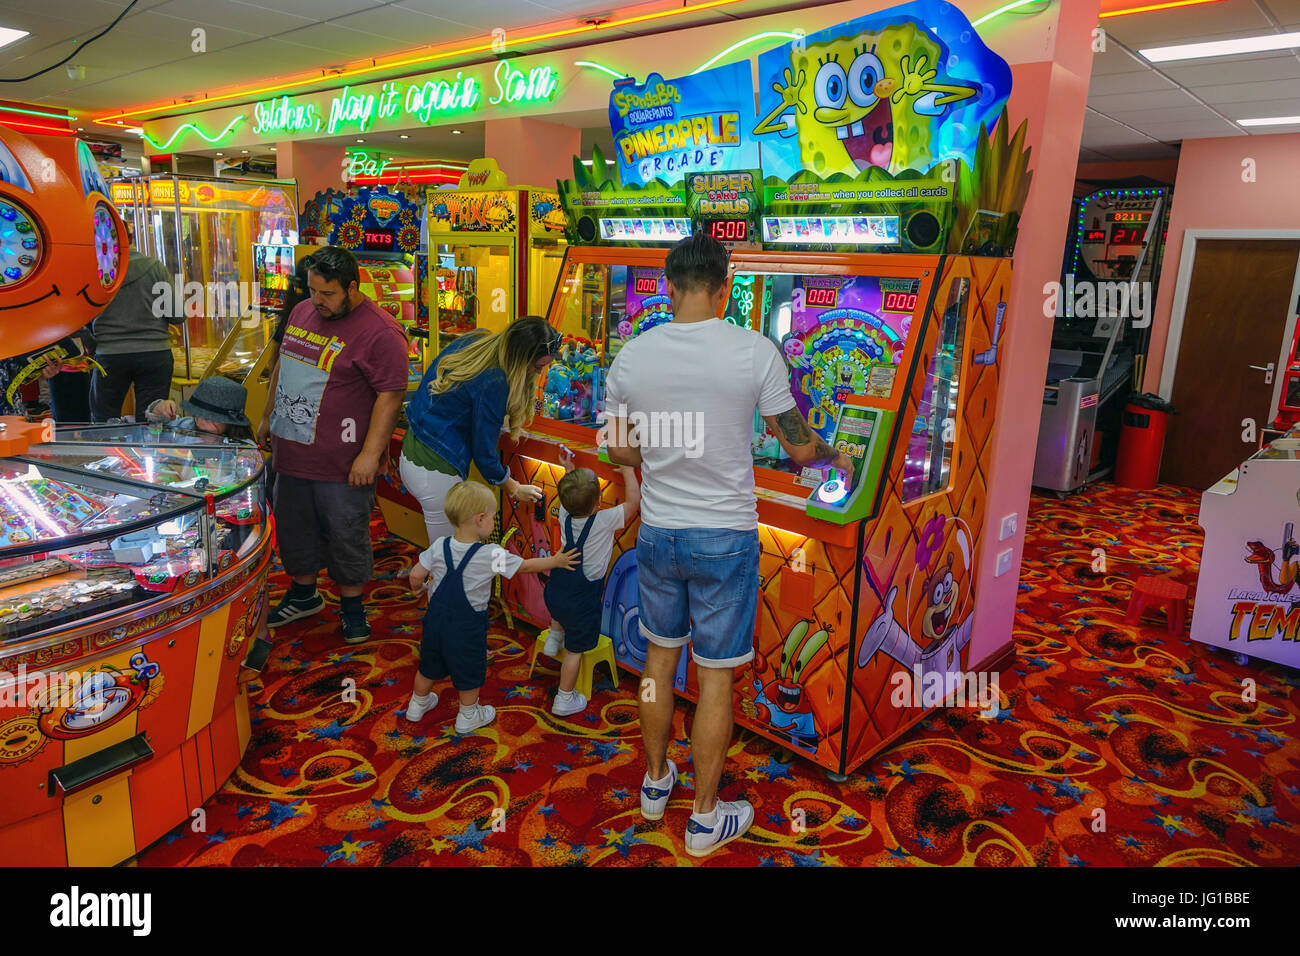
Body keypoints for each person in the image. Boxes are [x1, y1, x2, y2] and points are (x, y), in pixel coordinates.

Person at [603, 231, 853, 857]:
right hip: (725, 538)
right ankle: (706, 817)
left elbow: (619, 450)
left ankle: (656, 781)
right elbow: (797, 447)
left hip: (659, 534)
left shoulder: (631, 356)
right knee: (715, 677)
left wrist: (665, 454)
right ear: (723, 286)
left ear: (668, 285)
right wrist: (838, 452)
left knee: (659, 661)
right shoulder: (754, 351)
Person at [263, 246, 409, 644]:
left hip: (342, 460)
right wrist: (267, 415)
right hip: (290, 450)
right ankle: (303, 593)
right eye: (312, 291)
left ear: (352, 287)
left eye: (327, 294)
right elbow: (283, 363)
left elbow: (390, 396)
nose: (317, 301)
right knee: (294, 529)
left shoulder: (381, 331)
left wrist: (370, 453)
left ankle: (352, 607)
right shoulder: (300, 312)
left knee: (346, 533)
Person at [405, 480, 578, 733]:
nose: (494, 521)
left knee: (429, 663)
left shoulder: (439, 546)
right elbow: (526, 567)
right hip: (466, 628)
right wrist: (556, 560)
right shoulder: (490, 554)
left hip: (435, 621)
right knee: (469, 668)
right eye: (493, 517)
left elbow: (415, 574)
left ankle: (417, 705)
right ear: (480, 519)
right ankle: (467, 715)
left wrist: (418, 588)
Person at [399, 316, 560, 544]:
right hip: (435, 470)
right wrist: (513, 487)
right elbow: (484, 453)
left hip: (413, 451)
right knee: (451, 559)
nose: (537, 374)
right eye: (537, 367)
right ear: (519, 359)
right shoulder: (495, 380)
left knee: (444, 555)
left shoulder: (478, 340)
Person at [541, 447, 640, 717]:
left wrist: (568, 469)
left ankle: (554, 636)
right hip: (582, 599)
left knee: (560, 606)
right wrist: (630, 472)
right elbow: (633, 503)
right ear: (598, 502)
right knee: (575, 651)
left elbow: (570, 493)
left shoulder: (564, 512)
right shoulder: (604, 520)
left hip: (556, 589)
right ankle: (564, 698)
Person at [89, 228, 177, 422]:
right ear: (130, 238)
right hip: (155, 354)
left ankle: (107, 453)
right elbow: (177, 314)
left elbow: (82, 315)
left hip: (109, 356)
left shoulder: (92, 270)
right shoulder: (155, 267)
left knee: (103, 422)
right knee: (152, 421)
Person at [145, 376, 253, 440]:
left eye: (208, 418)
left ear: (232, 423)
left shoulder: (245, 450)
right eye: (196, 415)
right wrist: (158, 408)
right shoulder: (189, 426)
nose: (200, 422)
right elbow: (159, 428)